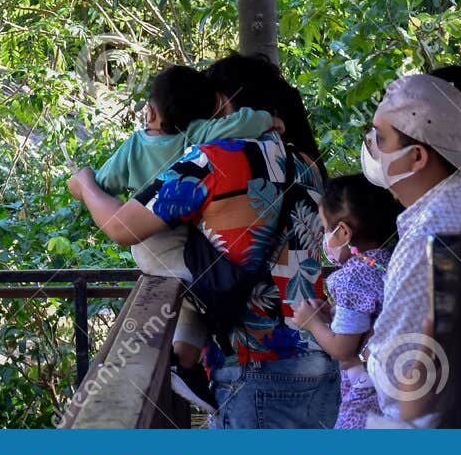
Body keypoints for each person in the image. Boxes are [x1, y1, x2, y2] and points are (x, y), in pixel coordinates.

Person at [68, 64, 334, 428]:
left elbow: (122, 226)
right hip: (319, 357)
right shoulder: (306, 163)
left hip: (253, 368)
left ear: (221, 101)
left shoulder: (214, 157)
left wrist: (85, 184)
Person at [90, 65, 277, 410]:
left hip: (150, 246)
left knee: (193, 298)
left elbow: (103, 184)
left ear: (149, 111)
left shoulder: (133, 147)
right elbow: (250, 120)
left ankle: (184, 363)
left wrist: (89, 185)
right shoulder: (198, 136)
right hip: (179, 244)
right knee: (201, 290)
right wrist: (271, 120)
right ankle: (185, 364)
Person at [357, 71, 461, 427]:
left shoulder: (428, 237)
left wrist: (369, 350)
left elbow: (400, 369)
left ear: (417, 156)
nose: (371, 146)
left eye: (381, 138)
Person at [290, 174, 401, 428]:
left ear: (343, 232)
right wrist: (334, 315)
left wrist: (312, 323)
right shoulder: (392, 259)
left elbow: (343, 348)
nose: (324, 236)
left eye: (325, 228)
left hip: (366, 390)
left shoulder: (351, 277)